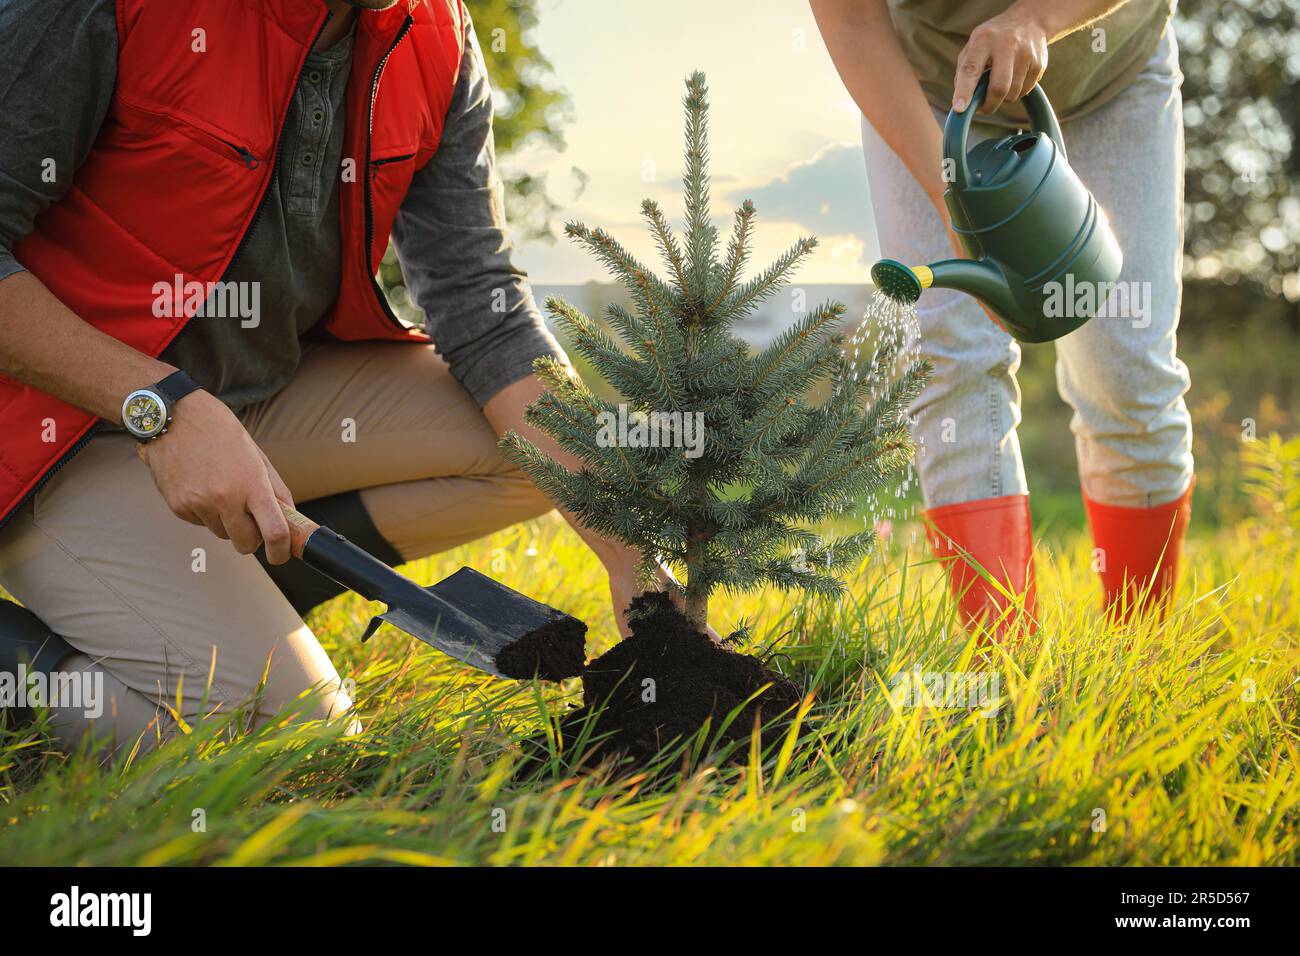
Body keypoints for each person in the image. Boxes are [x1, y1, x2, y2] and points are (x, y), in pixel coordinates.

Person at [0, 0, 673, 754]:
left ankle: (244, 587)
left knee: (533, 455)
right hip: (46, 428)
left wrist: (630, 551)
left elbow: (489, 314)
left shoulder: (433, 34)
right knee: (286, 744)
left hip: (246, 401)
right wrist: (162, 406)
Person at [810, 0, 1194, 635]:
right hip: (933, 98)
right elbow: (850, 21)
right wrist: (950, 193)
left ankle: (1140, 652)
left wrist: (1038, 17)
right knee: (950, 370)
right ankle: (1007, 675)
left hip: (1110, 79)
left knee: (1128, 368)